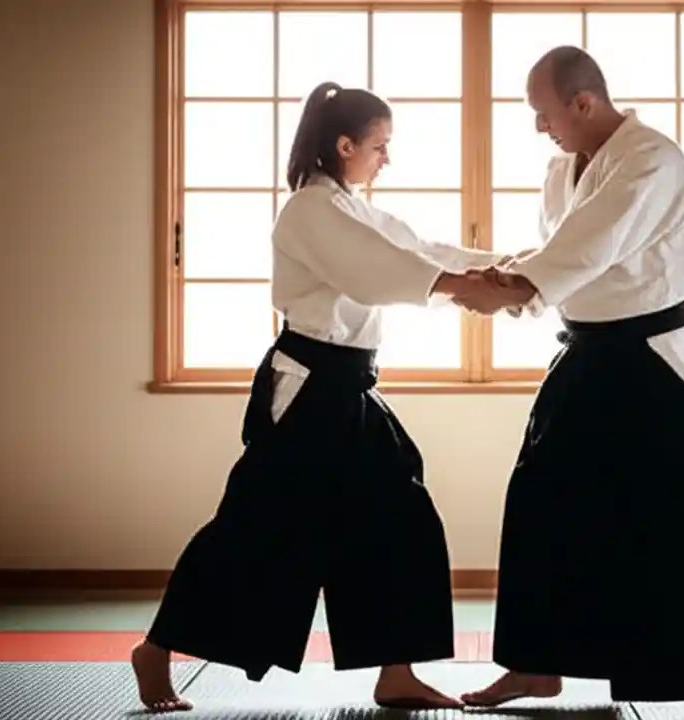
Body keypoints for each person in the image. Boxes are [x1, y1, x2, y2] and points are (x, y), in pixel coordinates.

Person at [131, 81, 507, 714]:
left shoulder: (349, 206)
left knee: (399, 514)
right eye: (380, 146)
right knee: (256, 527)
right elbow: (375, 272)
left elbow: (417, 250)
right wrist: (465, 285)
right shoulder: (309, 211)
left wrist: (511, 267)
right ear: (343, 144)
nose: (386, 158)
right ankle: (159, 647)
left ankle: (396, 669)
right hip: (309, 389)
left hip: (350, 386)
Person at [451, 47, 684, 719]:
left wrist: (511, 290)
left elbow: (590, 248)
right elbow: (562, 252)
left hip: (650, 352)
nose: (542, 128)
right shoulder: (561, 169)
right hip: (586, 347)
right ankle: (535, 663)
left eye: (546, 114)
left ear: (584, 103)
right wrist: (507, 274)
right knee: (540, 495)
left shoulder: (652, 160)